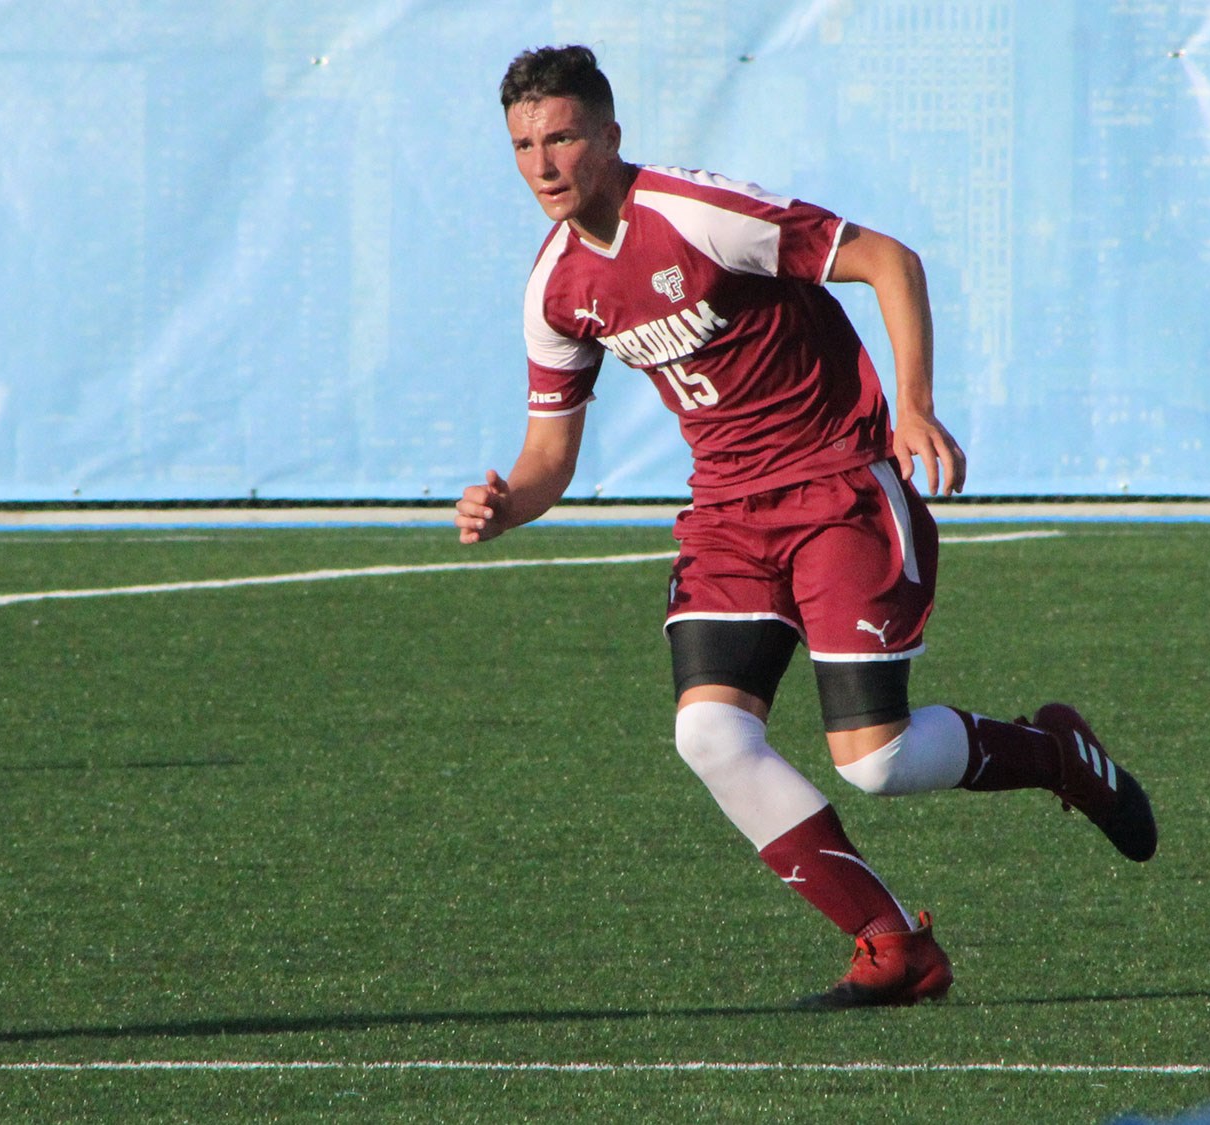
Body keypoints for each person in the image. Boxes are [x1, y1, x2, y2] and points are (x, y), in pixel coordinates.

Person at [458, 44, 1156, 1009]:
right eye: (524, 145)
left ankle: (1056, 757)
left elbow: (885, 258)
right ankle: (893, 943)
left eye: (564, 137)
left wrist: (913, 406)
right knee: (709, 734)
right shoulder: (555, 288)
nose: (543, 164)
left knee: (877, 759)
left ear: (610, 136)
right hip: (727, 516)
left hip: (837, 488)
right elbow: (549, 459)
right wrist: (509, 505)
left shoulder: (697, 215)